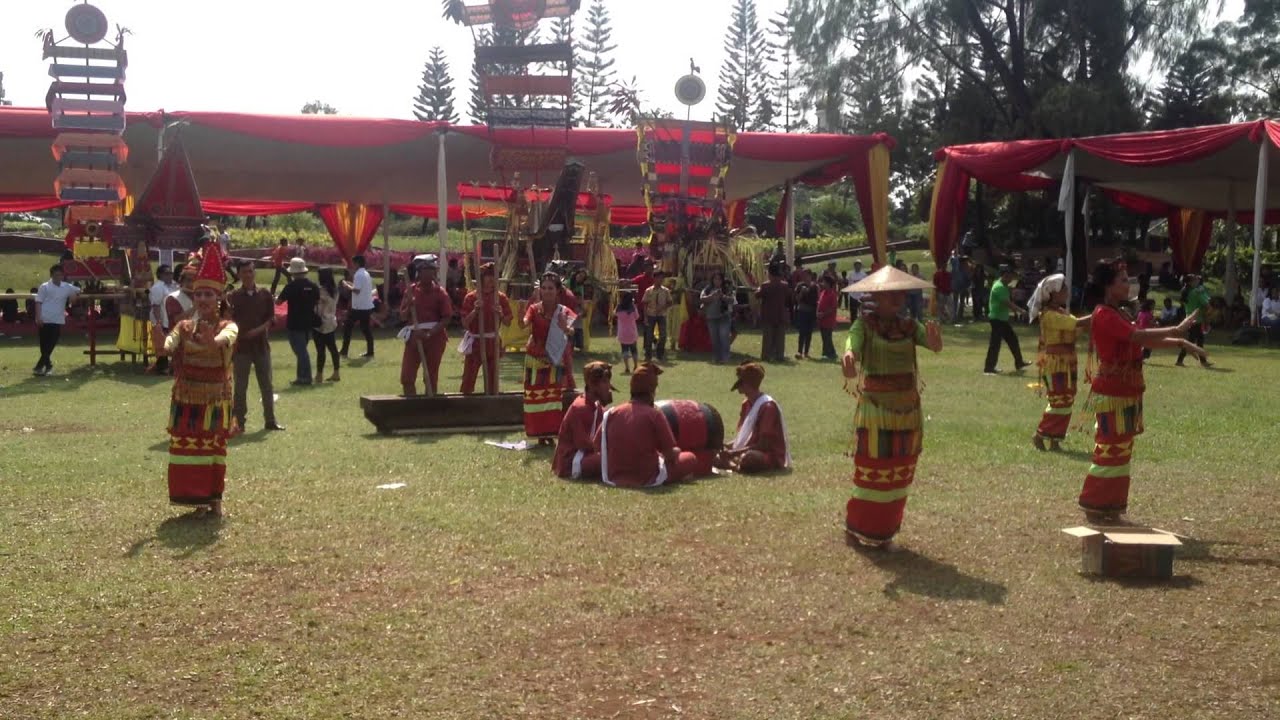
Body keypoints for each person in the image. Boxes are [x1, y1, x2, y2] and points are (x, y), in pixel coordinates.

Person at [1078, 259, 1206, 523]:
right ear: (1108, 286)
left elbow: (1141, 339)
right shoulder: (1104, 313)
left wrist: (1181, 340)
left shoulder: (1117, 313)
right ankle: (1096, 504)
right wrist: (1177, 331)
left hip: (1125, 389)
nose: (1128, 284)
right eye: (1123, 280)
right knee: (1110, 449)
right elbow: (1137, 337)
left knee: (1120, 449)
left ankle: (1109, 507)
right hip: (1113, 392)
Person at [841, 265, 943, 549]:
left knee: (900, 470)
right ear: (876, 295)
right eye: (891, 293)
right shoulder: (864, 325)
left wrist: (936, 341)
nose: (898, 297)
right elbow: (853, 344)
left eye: (901, 292)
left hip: (907, 410)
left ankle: (885, 532)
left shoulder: (909, 326)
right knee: (872, 469)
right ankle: (856, 528)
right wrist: (849, 355)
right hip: (876, 411)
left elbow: (934, 345)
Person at [159, 236, 238, 517]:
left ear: (219, 298)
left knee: (213, 449)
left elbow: (226, 338)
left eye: (209, 295)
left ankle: (213, 501)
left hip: (214, 401)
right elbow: (170, 342)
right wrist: (162, 347)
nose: (203, 299)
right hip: (186, 398)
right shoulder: (184, 326)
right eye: (199, 295)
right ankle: (196, 500)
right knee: (186, 449)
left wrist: (211, 342)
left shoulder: (228, 326)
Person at [593, 362, 702, 488]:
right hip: (647, 477)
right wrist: (677, 451)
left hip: (614, 477)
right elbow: (669, 454)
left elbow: (597, 446)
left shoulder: (612, 412)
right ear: (652, 390)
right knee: (690, 458)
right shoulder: (654, 414)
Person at [1026, 274, 1090, 451]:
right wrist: (1098, 315)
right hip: (1056, 363)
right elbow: (1074, 323)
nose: (1067, 291)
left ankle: (1055, 439)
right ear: (1053, 293)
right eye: (1064, 288)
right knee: (1058, 401)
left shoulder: (1060, 313)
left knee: (1067, 399)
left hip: (1067, 362)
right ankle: (1040, 434)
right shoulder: (1049, 315)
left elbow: (1074, 329)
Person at [226, 261, 282, 434]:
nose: (248, 275)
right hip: (241, 348)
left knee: (267, 385)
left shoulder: (265, 294)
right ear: (239, 274)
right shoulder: (233, 296)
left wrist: (256, 331)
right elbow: (228, 320)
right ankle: (239, 423)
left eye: (250, 271)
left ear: (254, 272)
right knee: (240, 387)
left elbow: (271, 319)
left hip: (261, 347)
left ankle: (270, 420)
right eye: (244, 272)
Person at [520, 272, 576, 444]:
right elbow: (524, 322)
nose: (547, 291)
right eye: (543, 288)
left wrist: (564, 327)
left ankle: (551, 433)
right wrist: (521, 315)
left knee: (553, 397)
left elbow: (571, 331)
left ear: (558, 290)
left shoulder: (564, 311)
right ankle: (538, 434)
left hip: (555, 358)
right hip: (535, 359)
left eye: (550, 288)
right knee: (535, 397)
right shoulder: (534, 309)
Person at [715, 362, 790, 474]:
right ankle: (735, 464)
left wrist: (733, 453)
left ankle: (734, 465)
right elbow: (745, 438)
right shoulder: (746, 404)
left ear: (746, 384)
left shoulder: (767, 407)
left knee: (750, 457)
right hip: (747, 450)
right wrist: (726, 446)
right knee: (712, 455)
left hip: (767, 455)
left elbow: (764, 445)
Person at [398, 254, 453, 397]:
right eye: (426, 270)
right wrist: (408, 306)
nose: (429, 273)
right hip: (414, 338)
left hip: (435, 339)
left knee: (430, 377)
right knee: (407, 377)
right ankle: (412, 408)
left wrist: (429, 334)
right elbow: (403, 316)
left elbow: (446, 318)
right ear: (419, 272)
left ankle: (429, 409)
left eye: (431, 270)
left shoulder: (441, 293)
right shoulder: (410, 291)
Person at [553, 361, 615, 480]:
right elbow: (583, 444)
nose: (608, 386)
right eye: (604, 382)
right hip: (572, 461)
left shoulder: (596, 406)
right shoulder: (580, 408)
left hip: (586, 455)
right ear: (592, 385)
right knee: (612, 459)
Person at [459, 262, 512, 395]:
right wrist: (475, 311)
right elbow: (465, 323)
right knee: (468, 380)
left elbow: (507, 322)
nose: (491, 279)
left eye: (493, 276)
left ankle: (492, 407)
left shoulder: (500, 298)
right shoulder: (471, 297)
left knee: (492, 382)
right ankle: (464, 407)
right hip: (475, 343)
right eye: (488, 276)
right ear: (481, 278)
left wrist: (500, 314)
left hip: (492, 343)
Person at [276, 257, 320, 386]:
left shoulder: (291, 286)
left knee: (300, 351)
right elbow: (317, 302)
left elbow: (279, 302)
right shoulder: (313, 286)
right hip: (308, 322)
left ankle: (305, 378)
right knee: (302, 350)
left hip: (295, 323)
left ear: (293, 272)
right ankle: (301, 376)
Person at [32, 263, 82, 376]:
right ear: (51, 275)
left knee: (51, 344)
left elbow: (78, 291)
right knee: (44, 345)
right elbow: (38, 302)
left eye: (60, 275)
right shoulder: (44, 286)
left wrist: (74, 296)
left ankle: (41, 367)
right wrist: (38, 317)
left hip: (57, 319)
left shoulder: (67, 286)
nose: (58, 277)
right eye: (56, 275)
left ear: (63, 275)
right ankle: (46, 366)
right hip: (44, 318)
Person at [983, 265, 1031, 375]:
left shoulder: (1001, 285)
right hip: (997, 319)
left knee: (1012, 340)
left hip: (1002, 319)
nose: (1011, 280)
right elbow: (1007, 303)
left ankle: (1019, 362)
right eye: (1009, 277)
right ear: (1004, 276)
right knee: (995, 344)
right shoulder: (999, 287)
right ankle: (988, 368)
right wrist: (1021, 311)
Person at [341, 254, 376, 359]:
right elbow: (359, 288)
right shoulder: (366, 273)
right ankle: (370, 351)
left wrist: (347, 286)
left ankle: (344, 350)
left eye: (353, 263)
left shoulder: (358, 275)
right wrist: (351, 284)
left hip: (358, 307)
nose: (353, 265)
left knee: (348, 328)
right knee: (366, 329)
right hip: (366, 306)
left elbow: (356, 290)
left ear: (357, 263)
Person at [757, 264, 792, 362]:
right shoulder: (785, 285)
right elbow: (788, 297)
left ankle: (766, 356)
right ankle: (779, 355)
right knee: (780, 338)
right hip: (781, 314)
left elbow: (757, 295)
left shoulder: (765, 285)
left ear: (770, 273)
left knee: (767, 338)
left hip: (768, 314)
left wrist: (758, 289)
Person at [1176, 274, 1212, 367]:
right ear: (1190, 282)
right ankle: (1181, 360)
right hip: (1197, 320)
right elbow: (1206, 304)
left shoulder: (1186, 291)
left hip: (1189, 319)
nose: (1198, 281)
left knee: (1195, 341)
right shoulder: (1196, 292)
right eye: (1195, 280)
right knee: (1194, 342)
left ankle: (1201, 361)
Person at [313, 267, 341, 383]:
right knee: (333, 348)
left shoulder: (320, 291)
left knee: (320, 350)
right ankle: (336, 372)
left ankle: (319, 375)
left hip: (319, 323)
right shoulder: (335, 291)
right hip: (331, 322)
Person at [148, 265, 177, 374]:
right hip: (161, 319)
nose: (169, 275)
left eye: (171, 273)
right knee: (161, 343)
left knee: (173, 342)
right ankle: (162, 367)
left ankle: (173, 366)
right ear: (160, 275)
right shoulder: (157, 287)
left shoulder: (174, 285)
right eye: (166, 273)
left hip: (172, 319)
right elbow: (155, 306)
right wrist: (158, 321)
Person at [700, 271, 734, 364]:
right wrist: (712, 296)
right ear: (712, 280)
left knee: (724, 337)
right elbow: (702, 299)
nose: (717, 281)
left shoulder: (727, 289)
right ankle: (716, 357)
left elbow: (732, 300)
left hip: (724, 317)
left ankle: (725, 357)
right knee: (714, 339)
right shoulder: (707, 289)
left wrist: (722, 296)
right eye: (715, 279)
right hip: (711, 317)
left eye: (719, 279)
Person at [641, 270, 673, 361]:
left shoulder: (666, 291)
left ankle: (660, 353)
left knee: (663, 335)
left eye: (662, 278)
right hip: (651, 314)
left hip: (661, 315)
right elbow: (645, 304)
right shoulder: (649, 290)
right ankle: (648, 355)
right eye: (658, 278)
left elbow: (670, 302)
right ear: (654, 278)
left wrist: (663, 307)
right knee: (649, 336)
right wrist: (645, 317)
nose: (660, 280)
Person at [793, 270, 819, 359]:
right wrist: (802, 292)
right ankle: (799, 351)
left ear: (810, 276)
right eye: (803, 275)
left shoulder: (815, 286)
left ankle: (806, 352)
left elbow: (817, 299)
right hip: (802, 311)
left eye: (806, 275)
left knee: (809, 332)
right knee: (802, 332)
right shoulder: (799, 286)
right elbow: (797, 299)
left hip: (811, 311)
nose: (805, 277)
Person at [615, 287, 640, 374]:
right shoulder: (633, 308)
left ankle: (627, 367)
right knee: (634, 350)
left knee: (624, 350)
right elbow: (637, 317)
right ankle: (636, 365)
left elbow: (616, 314)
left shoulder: (619, 307)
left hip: (622, 333)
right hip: (632, 332)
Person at [817, 274, 840, 359]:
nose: (822, 283)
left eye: (824, 282)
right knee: (824, 337)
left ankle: (831, 354)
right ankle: (826, 353)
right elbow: (819, 303)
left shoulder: (832, 294)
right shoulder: (823, 292)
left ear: (828, 283)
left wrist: (823, 314)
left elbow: (833, 308)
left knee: (827, 337)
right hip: (822, 320)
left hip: (828, 320)